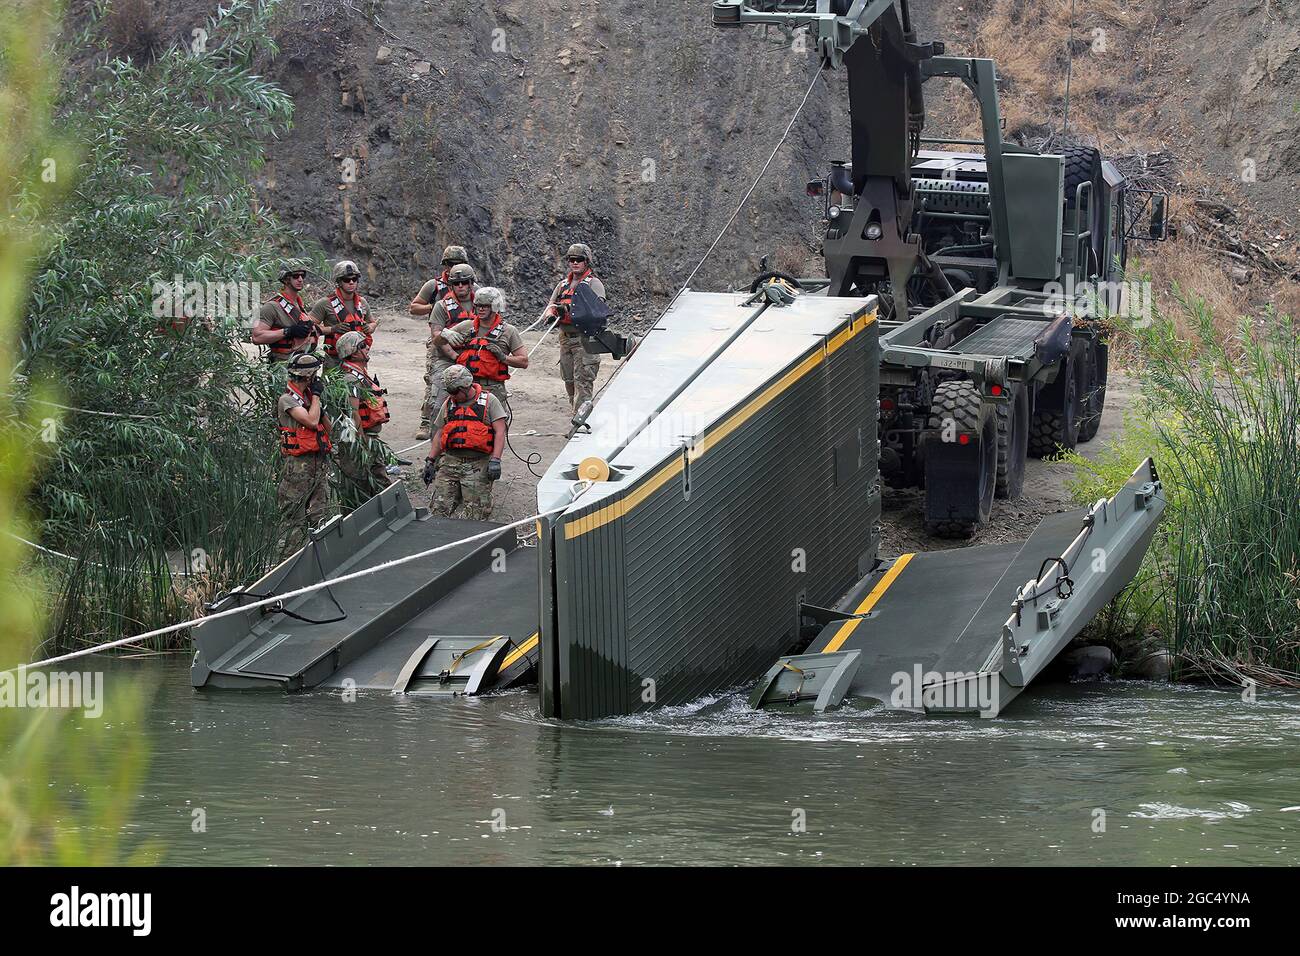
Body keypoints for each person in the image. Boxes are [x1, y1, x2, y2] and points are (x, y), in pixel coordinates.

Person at [422, 364, 506, 521]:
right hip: (450, 462)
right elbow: (440, 434)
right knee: (439, 509)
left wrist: (495, 460)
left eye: (454, 391)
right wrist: (430, 460)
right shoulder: (449, 403)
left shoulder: (489, 401)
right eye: (449, 391)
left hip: (477, 465)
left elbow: (500, 431)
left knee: (476, 515)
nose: (452, 395)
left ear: (466, 387)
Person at [276, 352, 332, 559]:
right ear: (308, 377)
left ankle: (319, 560)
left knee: (320, 515)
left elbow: (328, 427)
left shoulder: (309, 400)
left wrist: (318, 402)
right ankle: (288, 562)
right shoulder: (287, 400)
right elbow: (309, 421)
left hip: (318, 464)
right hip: (298, 468)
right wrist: (316, 397)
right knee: (293, 518)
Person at [414, 261, 476, 440]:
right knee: (438, 400)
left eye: (465, 282)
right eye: (457, 283)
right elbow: (437, 338)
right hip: (446, 358)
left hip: (474, 357)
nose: (461, 286)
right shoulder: (441, 305)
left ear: (471, 283)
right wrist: (456, 356)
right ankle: (435, 446)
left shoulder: (481, 303)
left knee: (483, 400)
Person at [434, 286, 527, 406]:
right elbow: (436, 342)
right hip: (466, 388)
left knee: (493, 422)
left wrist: (503, 357)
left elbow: (523, 361)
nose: (481, 309)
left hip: (493, 388)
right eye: (478, 306)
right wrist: (445, 334)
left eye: (485, 306)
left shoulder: (509, 331)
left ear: (494, 307)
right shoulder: (466, 326)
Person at [544, 242, 605, 411]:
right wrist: (551, 314)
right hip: (565, 340)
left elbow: (597, 311)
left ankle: (580, 422)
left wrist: (571, 310)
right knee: (569, 380)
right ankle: (575, 414)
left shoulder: (594, 284)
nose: (574, 262)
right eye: (571, 259)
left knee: (583, 382)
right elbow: (551, 304)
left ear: (586, 262)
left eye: (579, 259)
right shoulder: (562, 285)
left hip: (584, 340)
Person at [333, 330, 393, 497]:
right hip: (359, 440)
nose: (367, 348)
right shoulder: (351, 379)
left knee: (379, 482)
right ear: (352, 353)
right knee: (362, 487)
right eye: (362, 346)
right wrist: (361, 445)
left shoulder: (361, 375)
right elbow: (353, 414)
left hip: (369, 438)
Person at [312, 259, 376, 367]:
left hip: (358, 359)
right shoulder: (325, 303)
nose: (351, 282)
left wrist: (369, 328)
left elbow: (372, 323)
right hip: (334, 360)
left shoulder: (362, 302)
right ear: (339, 282)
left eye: (354, 279)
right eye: (347, 279)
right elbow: (310, 327)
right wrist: (332, 329)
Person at [252, 261, 317, 363]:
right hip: (283, 365)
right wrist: (288, 331)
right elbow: (257, 337)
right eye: (295, 276)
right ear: (286, 279)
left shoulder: (299, 305)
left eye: (302, 275)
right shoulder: (272, 306)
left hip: (304, 364)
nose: (300, 279)